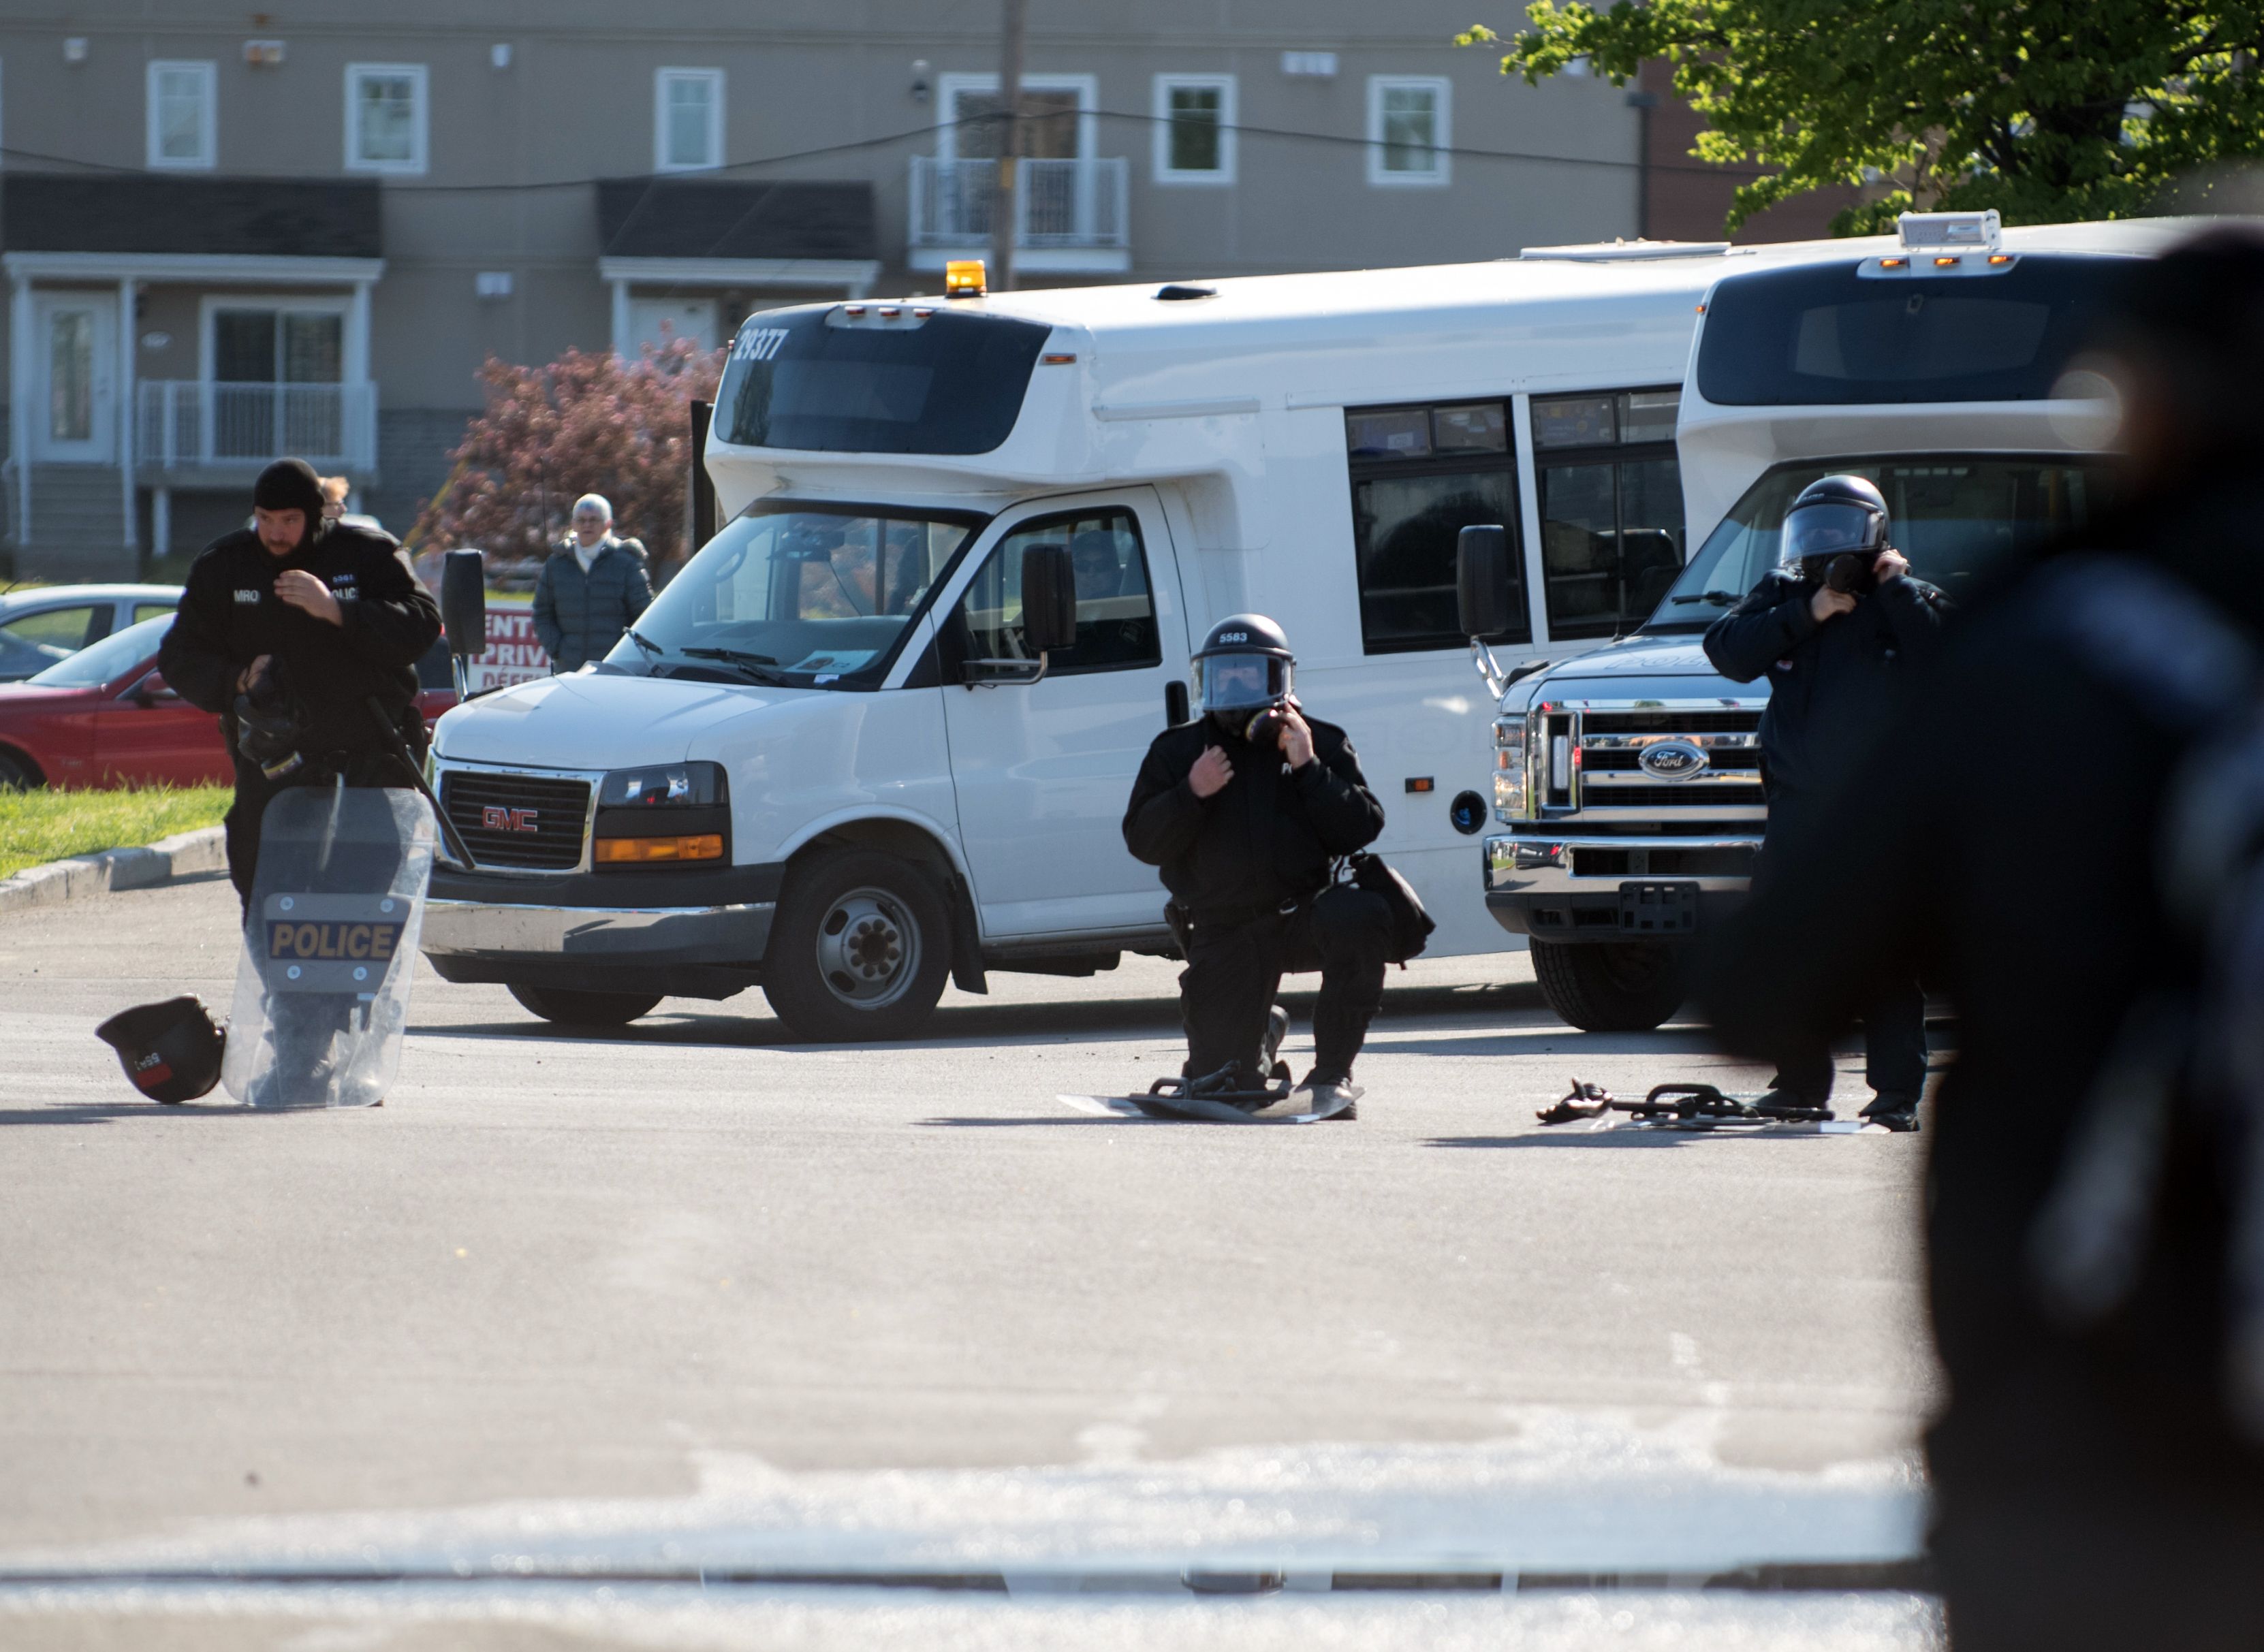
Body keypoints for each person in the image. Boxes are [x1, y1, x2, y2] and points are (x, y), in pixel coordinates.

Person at [1699, 228, 2264, 1646]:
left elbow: (1766, 989)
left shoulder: (2054, 633)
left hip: (2097, 1377)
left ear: (2144, 402)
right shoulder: (1962, 621)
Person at [1701, 475, 1949, 1128]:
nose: (1825, 545)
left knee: (1885, 954)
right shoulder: (1787, 594)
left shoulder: (1909, 598)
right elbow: (1726, 651)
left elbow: (1949, 660)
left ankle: (1896, 1096)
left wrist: (1893, 589)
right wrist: (1809, 612)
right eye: (1813, 533)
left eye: (1840, 532)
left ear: (1875, 536)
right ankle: (1800, 1085)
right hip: (1798, 811)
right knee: (1788, 947)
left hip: (1879, 815)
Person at [1122, 615, 1391, 1116]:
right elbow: (1143, 841)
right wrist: (1191, 792)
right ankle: (1258, 1036)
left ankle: (1332, 1073)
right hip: (1224, 928)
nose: (1236, 685)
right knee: (1225, 1085)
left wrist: (1309, 768)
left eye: (1249, 673)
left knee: (1360, 914)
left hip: (1301, 919)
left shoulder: (1317, 741)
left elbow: (1362, 827)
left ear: (1279, 679)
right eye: (1224, 674)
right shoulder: (1179, 751)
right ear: (1207, 680)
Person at [159, 457, 442, 912]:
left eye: (290, 521)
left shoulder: (366, 553)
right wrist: (238, 679)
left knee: (366, 895)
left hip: (367, 755)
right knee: (267, 890)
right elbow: (179, 656)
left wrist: (337, 610)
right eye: (265, 519)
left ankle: (355, 959)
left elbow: (423, 623)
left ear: (314, 515)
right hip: (274, 760)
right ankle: (275, 958)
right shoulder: (225, 565)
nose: (276, 533)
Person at [531, 492, 653, 672]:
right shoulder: (557, 563)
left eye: (594, 520)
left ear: (608, 524)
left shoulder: (626, 563)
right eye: (581, 520)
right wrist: (558, 650)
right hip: (569, 669)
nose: (587, 525)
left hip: (616, 669)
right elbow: (542, 613)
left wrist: (624, 654)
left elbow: (645, 615)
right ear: (573, 524)